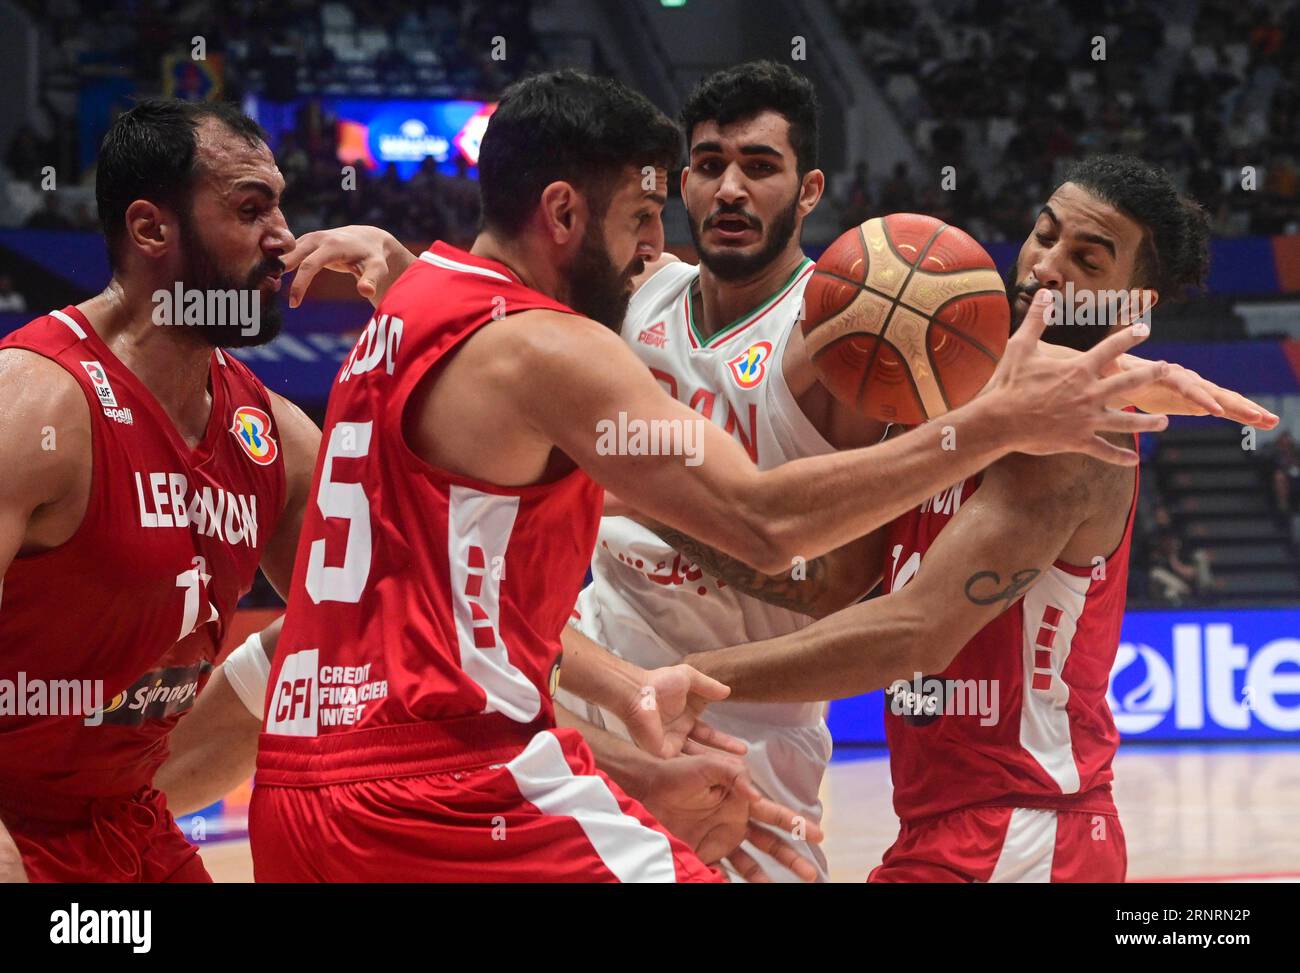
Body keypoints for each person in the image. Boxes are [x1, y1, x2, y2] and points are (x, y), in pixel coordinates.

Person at [248, 69, 1170, 883]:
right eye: (685, 181)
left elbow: (859, 593)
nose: (711, 197)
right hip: (527, 725)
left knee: (275, 658)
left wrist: (656, 615)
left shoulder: (853, 336)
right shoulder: (607, 307)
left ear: (809, 190)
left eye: (759, 166)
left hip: (714, 731)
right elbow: (509, 353)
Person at [681, 154, 1279, 882]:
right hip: (959, 828)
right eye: (1045, 234)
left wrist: (680, 680)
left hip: (1023, 828)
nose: (1047, 265)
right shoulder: (956, 396)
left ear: (1133, 302)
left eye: (1087, 258)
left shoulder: (1074, 444)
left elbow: (917, 631)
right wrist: (664, 521)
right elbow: (835, 578)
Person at [0, 99, 321, 882]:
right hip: (15, 821)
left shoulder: (269, 430)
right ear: (150, 230)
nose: (283, 238)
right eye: (250, 209)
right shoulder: (35, 405)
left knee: (329, 632)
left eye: (280, 207)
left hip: (127, 817)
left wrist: (417, 316)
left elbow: (417, 606)